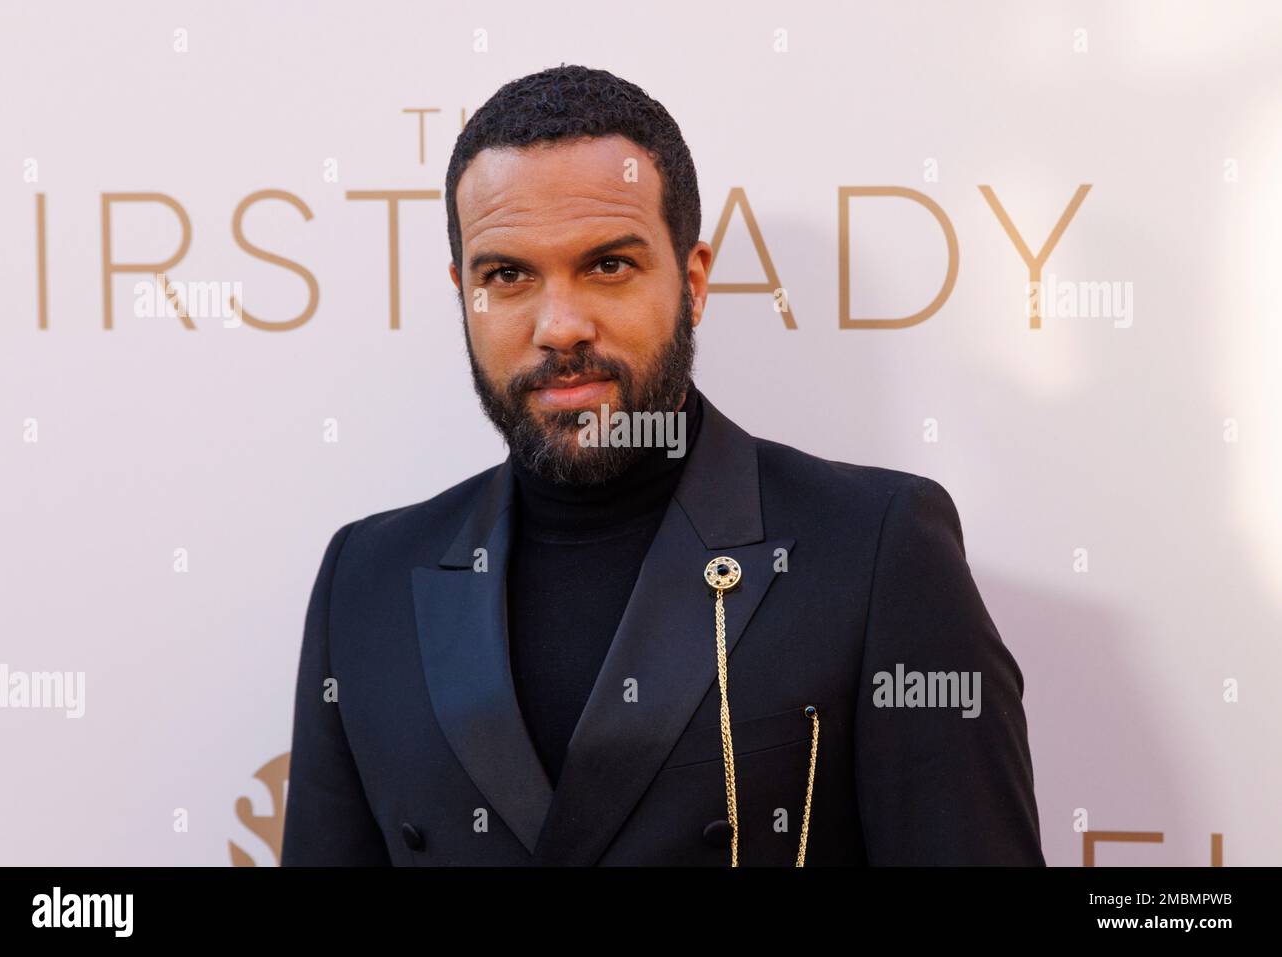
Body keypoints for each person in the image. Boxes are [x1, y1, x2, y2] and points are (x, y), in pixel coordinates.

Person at [281, 64, 1044, 866]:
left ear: (693, 279)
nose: (562, 325)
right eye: (507, 275)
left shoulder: (877, 551)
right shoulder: (364, 580)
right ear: (463, 292)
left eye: (608, 264)